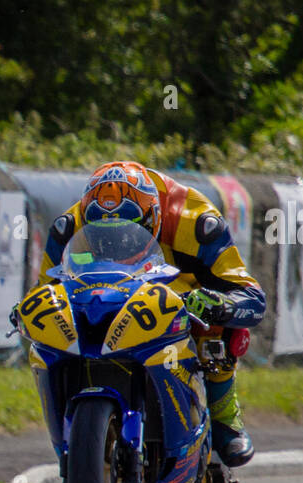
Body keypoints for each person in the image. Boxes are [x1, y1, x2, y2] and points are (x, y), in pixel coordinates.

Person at [37, 160, 264, 467]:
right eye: (102, 233)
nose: (116, 241)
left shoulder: (196, 221)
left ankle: (225, 417)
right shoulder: (69, 226)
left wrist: (219, 304)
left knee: (220, 330)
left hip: (181, 296)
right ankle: (71, 437)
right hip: (106, 296)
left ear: (153, 216)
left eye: (130, 229)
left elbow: (250, 295)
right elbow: (47, 291)